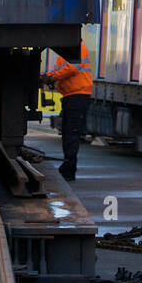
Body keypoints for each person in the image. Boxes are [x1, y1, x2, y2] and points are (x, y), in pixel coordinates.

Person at [42, 40, 92, 181]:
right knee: (67, 132)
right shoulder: (63, 53)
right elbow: (57, 70)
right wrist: (46, 77)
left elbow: (73, 67)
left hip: (78, 94)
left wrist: (52, 77)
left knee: (71, 132)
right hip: (71, 95)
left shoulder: (78, 48)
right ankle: (67, 168)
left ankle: (69, 171)